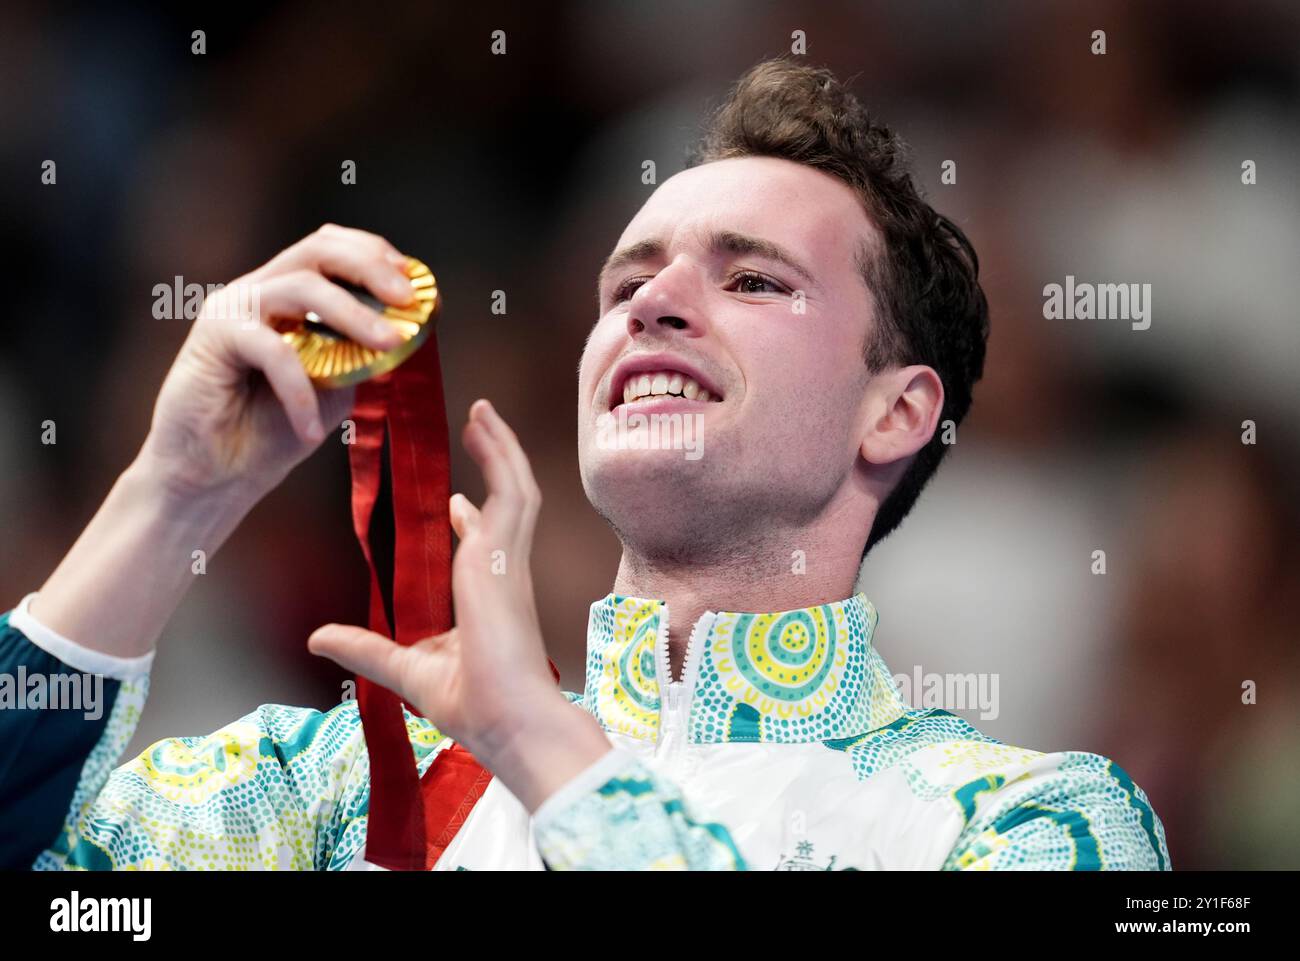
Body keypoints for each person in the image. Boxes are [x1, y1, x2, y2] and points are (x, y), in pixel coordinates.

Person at [0, 58, 1169, 871]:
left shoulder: (1029, 819)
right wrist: (171, 496)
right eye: (626, 282)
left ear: (895, 412)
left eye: (752, 279)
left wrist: (542, 749)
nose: (652, 303)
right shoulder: (338, 784)